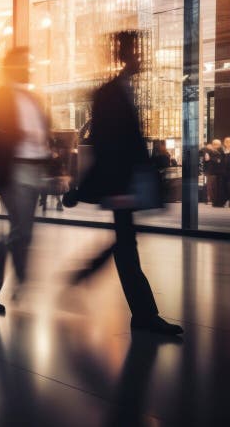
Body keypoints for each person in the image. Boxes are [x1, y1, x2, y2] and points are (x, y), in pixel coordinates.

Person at [75, 30, 182, 335]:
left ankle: (90, 276)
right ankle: (144, 314)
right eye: (135, 51)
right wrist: (116, 188)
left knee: (125, 244)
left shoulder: (123, 90)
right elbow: (106, 145)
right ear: (123, 55)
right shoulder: (109, 93)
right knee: (126, 245)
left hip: (126, 184)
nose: (141, 57)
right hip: (121, 186)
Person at [0, 47, 49, 313]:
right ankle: (19, 280)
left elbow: (44, 136)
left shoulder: (33, 99)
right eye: (24, 63)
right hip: (12, 171)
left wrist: (55, 168)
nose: (29, 67)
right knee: (21, 231)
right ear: (11, 67)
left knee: (17, 231)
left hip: (33, 171)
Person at [204, 139, 225, 207]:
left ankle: (217, 202)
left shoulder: (221, 151)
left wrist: (212, 159)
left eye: (218, 144)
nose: (217, 146)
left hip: (218, 172)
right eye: (215, 144)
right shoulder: (209, 151)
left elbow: (219, 161)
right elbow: (207, 159)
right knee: (211, 187)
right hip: (212, 172)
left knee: (216, 188)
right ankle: (214, 201)